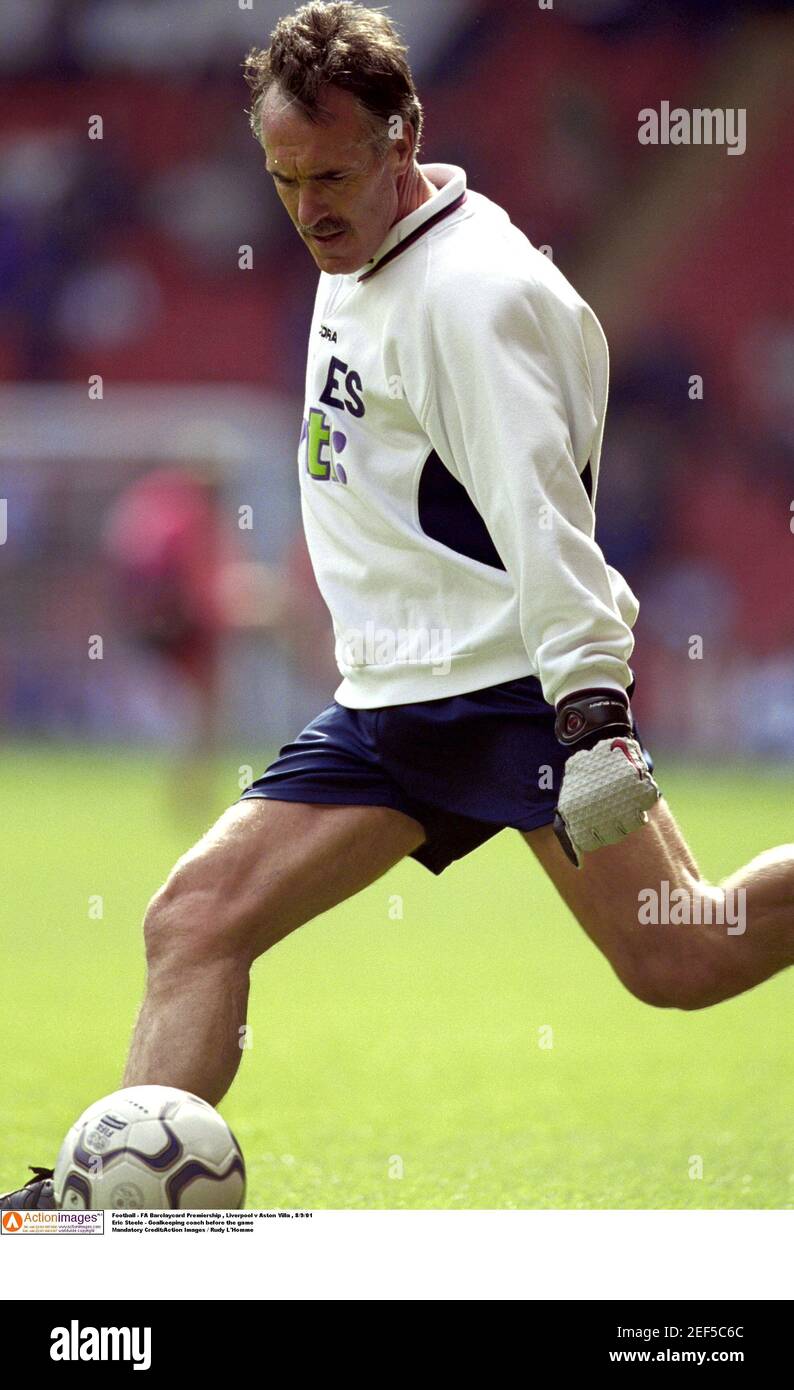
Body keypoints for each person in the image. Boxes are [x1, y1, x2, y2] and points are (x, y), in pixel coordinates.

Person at [4, 1, 792, 1212]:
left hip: (510, 695)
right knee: (193, 919)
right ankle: (116, 1211)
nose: (308, 205)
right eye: (282, 180)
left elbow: (545, 518)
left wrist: (589, 714)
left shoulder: (471, 298)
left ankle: (124, 1206)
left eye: (330, 173)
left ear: (400, 135)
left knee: (679, 955)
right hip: (390, 704)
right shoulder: (356, 242)